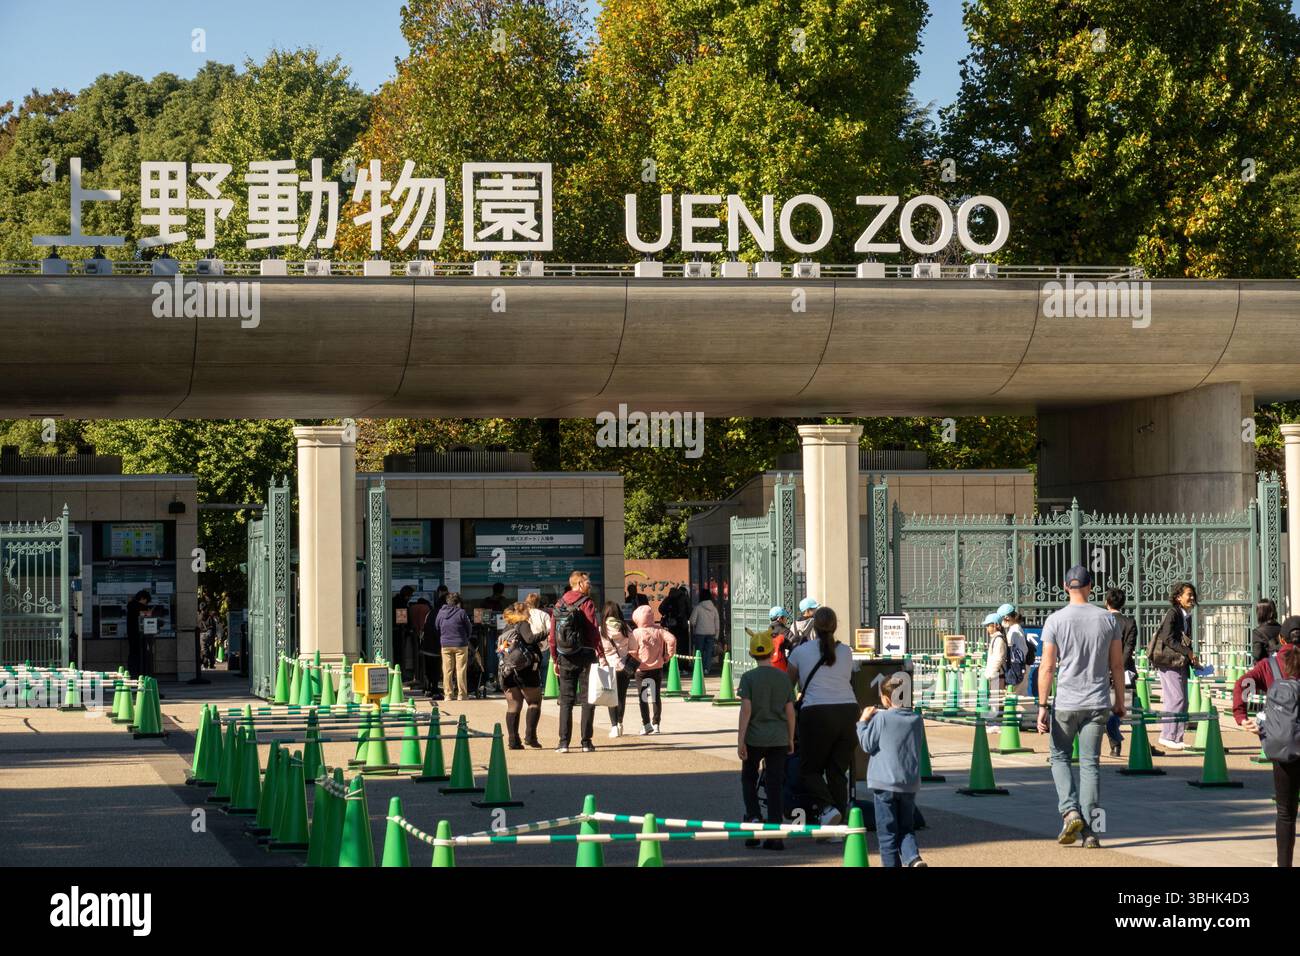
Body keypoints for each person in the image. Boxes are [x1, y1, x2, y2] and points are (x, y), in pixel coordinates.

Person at [1036, 565, 1124, 848]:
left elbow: (1048, 666)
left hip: (1066, 702)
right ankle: (1090, 831)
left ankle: (1070, 811)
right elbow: (1117, 664)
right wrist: (1120, 700)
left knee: (1060, 757)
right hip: (1097, 701)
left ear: (1065, 587)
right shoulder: (1108, 620)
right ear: (1090, 587)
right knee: (1090, 764)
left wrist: (1041, 705)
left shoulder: (1055, 620)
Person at [1232, 617, 1300, 866]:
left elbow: (1244, 685)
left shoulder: (1269, 665)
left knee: (1285, 813)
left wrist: (1242, 716)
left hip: (1283, 744)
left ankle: (1284, 864)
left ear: (1281, 639)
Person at [786, 606, 859, 827]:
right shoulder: (846, 651)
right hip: (848, 711)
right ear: (835, 626)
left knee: (810, 769)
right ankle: (839, 825)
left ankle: (828, 809)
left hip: (816, 713)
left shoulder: (801, 651)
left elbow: (788, 685)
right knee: (837, 772)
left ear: (813, 626)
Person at [857, 673, 926, 867]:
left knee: (887, 835)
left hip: (884, 782)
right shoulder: (916, 720)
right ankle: (913, 858)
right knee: (906, 828)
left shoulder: (882, 719)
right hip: (909, 782)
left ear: (886, 698)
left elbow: (866, 744)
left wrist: (863, 721)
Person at [738, 628, 796, 850]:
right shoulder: (783, 678)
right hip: (779, 737)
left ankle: (753, 817)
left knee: (748, 778)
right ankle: (775, 832)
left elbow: (746, 710)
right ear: (771, 651)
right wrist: (790, 738)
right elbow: (790, 711)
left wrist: (740, 739)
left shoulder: (748, 678)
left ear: (752, 654)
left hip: (754, 737)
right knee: (774, 784)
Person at [548, 570, 602, 753]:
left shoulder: (559, 604)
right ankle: (586, 742)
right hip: (586, 654)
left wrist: (555, 658)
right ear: (578, 583)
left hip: (565, 656)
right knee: (588, 699)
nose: (590, 586)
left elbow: (552, 636)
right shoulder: (587, 603)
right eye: (588, 583)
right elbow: (594, 630)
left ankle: (563, 743)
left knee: (566, 700)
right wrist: (600, 652)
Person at [1148, 581, 1200, 751]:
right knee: (1176, 699)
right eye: (1188, 595)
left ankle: (1177, 737)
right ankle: (1167, 736)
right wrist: (1187, 652)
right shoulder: (1173, 613)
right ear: (1178, 597)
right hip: (1169, 662)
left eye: (1192, 595)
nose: (1192, 598)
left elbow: (1185, 640)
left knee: (1182, 701)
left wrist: (1192, 658)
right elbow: (1168, 638)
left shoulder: (1186, 615)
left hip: (1179, 662)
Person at [498, 602, 544, 750]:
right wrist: (547, 632)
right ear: (521, 613)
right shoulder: (522, 624)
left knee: (513, 705)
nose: (529, 613)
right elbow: (530, 639)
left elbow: (502, 650)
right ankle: (530, 737)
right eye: (527, 611)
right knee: (534, 702)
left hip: (507, 671)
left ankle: (513, 740)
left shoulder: (506, 628)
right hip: (526, 670)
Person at [1102, 588, 1141, 758]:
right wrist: (1120, 667)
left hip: (1104, 671)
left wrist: (1108, 669)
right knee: (1134, 707)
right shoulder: (1130, 622)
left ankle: (1115, 745)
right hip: (1126, 671)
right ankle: (1142, 742)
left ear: (1106, 602)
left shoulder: (1102, 621)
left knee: (1108, 709)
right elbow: (1128, 649)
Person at [631, 603, 676, 734]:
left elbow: (632, 650)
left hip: (641, 670)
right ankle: (656, 723)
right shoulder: (659, 630)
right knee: (656, 696)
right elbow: (672, 640)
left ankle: (646, 724)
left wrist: (635, 658)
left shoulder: (636, 633)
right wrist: (669, 655)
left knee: (643, 697)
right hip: (657, 667)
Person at [599, 601, 637, 738]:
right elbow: (634, 646)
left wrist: (603, 663)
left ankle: (614, 726)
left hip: (607, 668)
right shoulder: (626, 628)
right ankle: (620, 723)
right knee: (621, 697)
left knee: (611, 698)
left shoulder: (601, 630)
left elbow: (598, 651)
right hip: (624, 668)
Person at [435, 592, 473, 701]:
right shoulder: (461, 612)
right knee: (460, 670)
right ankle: (462, 695)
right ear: (458, 603)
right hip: (461, 644)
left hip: (445, 644)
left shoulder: (441, 613)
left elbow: (437, 626)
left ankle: (448, 694)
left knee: (447, 670)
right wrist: (466, 637)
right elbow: (469, 628)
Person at [689, 587, 720, 677]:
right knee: (709, 652)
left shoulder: (698, 608)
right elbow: (717, 622)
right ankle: (707, 668)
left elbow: (692, 621)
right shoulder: (714, 609)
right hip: (711, 633)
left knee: (699, 651)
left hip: (700, 633)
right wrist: (717, 635)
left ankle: (699, 668)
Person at [525, 593, 553, 682]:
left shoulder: (524, 615)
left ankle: (533, 689)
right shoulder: (544, 615)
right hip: (544, 646)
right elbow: (550, 631)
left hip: (528, 646)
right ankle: (544, 688)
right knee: (544, 668)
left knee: (531, 669)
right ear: (538, 603)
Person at [126, 590, 152, 677]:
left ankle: (133, 673)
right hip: (139, 635)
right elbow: (147, 616)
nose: (146, 603)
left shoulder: (131, 606)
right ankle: (139, 673)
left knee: (133, 653)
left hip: (132, 634)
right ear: (142, 598)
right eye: (146, 601)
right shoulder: (140, 607)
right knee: (139, 654)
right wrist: (148, 611)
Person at [983, 612, 1007, 694]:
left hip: (997, 675)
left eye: (988, 626)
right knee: (995, 702)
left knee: (996, 702)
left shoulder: (998, 640)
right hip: (996, 675)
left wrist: (991, 675)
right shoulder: (996, 638)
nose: (987, 629)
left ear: (995, 625)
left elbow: (998, 659)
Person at [1252, 598, 1283, 663]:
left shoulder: (1257, 632)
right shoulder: (1282, 628)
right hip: (1282, 667)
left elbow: (1257, 654)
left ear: (1260, 613)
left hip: (1266, 669)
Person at [768, 606, 792, 672]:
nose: (786, 620)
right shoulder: (785, 632)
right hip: (781, 667)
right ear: (779, 618)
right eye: (784, 617)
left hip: (769, 667)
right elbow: (793, 647)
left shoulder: (767, 632)